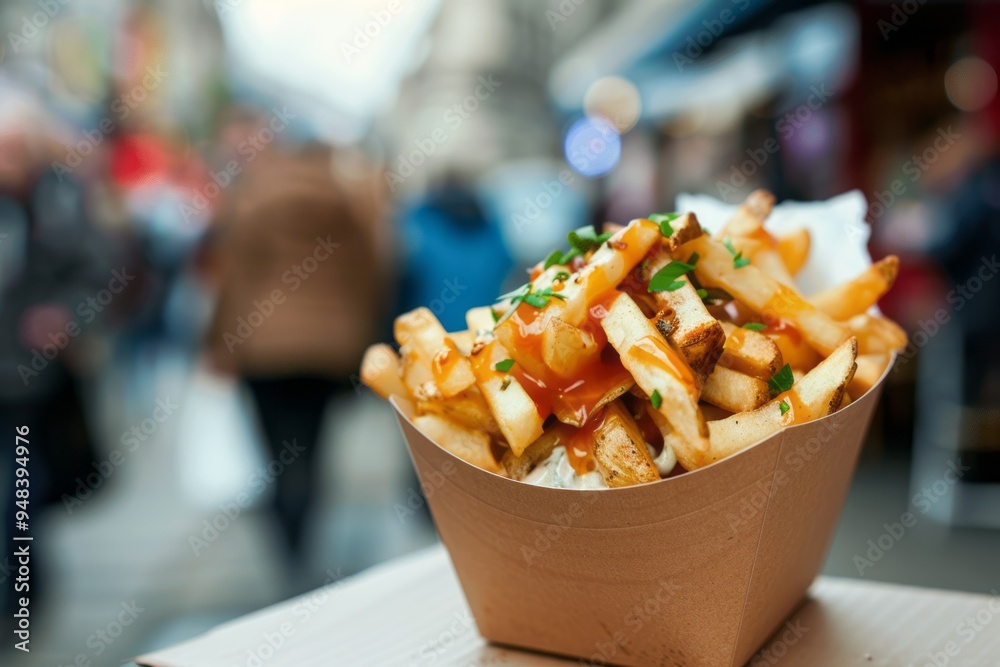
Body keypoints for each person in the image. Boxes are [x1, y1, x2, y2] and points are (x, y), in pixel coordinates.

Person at [204, 144, 389, 566]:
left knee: (276, 447)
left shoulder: (253, 199)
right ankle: (302, 518)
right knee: (311, 444)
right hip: (328, 350)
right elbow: (371, 275)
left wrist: (218, 341)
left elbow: (232, 278)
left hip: (264, 347)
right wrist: (361, 336)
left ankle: (286, 528)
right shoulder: (348, 202)